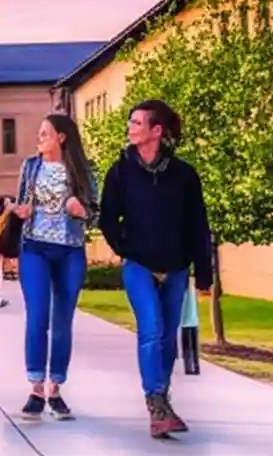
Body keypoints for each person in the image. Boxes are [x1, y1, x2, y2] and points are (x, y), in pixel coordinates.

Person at [99, 99, 213, 439]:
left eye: (137, 123)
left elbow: (198, 225)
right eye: (130, 122)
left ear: (157, 131)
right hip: (139, 265)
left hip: (177, 267)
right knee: (150, 329)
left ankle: (161, 398)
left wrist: (204, 274)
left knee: (167, 337)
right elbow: (107, 218)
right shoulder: (120, 172)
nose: (130, 128)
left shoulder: (184, 175)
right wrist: (125, 248)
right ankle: (156, 402)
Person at [12, 114, 98, 421]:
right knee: (38, 317)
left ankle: (55, 388)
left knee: (62, 322)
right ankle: (36, 389)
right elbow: (23, 202)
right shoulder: (31, 167)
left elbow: (96, 215)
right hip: (35, 248)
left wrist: (82, 211)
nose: (39, 138)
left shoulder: (83, 171)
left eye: (45, 133)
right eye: (39, 133)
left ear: (61, 137)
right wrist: (22, 210)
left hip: (70, 251)